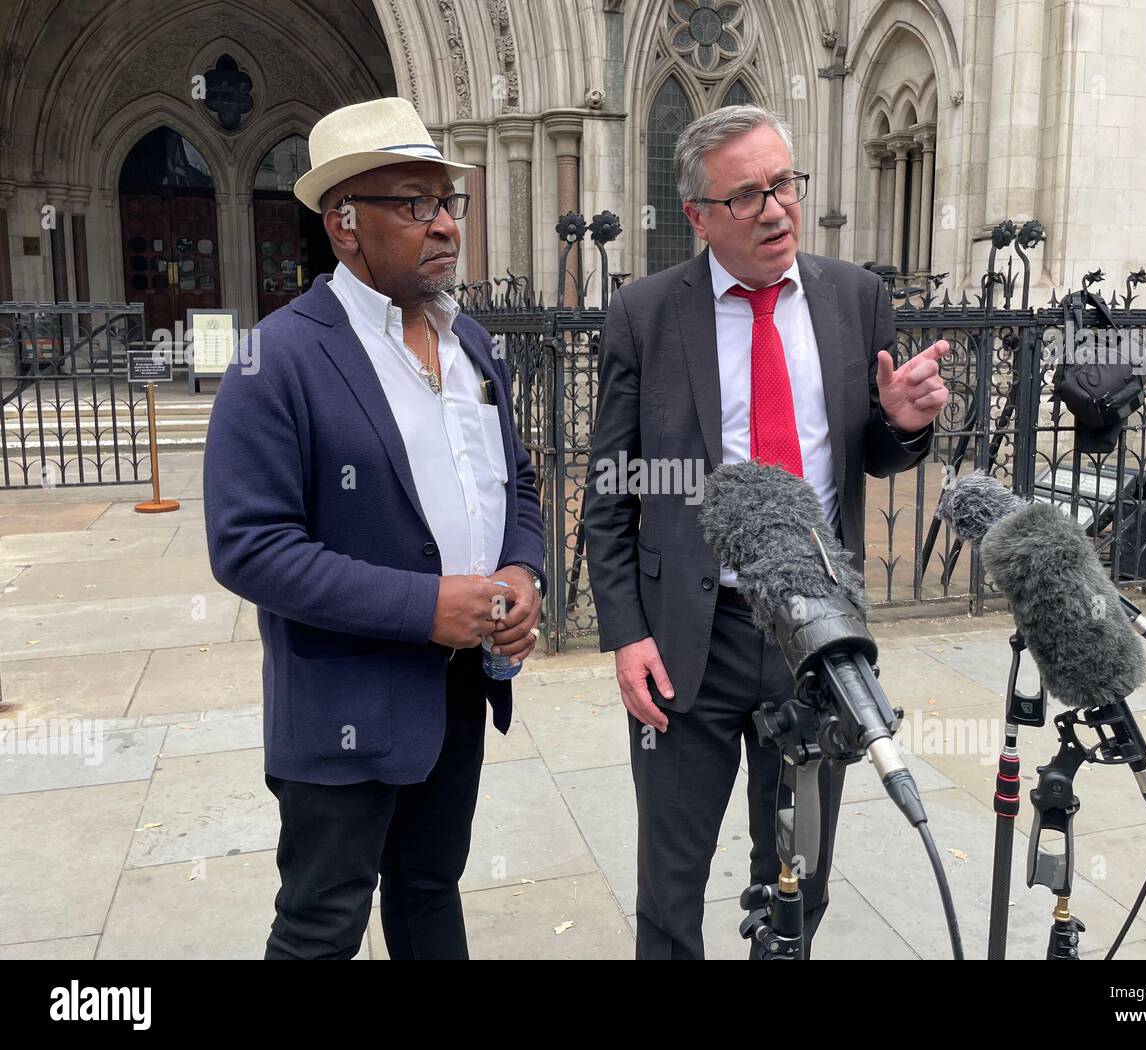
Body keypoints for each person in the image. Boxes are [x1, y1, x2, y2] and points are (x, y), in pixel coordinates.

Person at [584, 104, 950, 959]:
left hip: (815, 640)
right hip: (685, 646)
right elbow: (611, 488)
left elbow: (876, 454)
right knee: (670, 887)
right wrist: (626, 633)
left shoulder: (856, 299)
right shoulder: (646, 314)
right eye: (747, 195)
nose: (777, 209)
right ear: (699, 218)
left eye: (783, 183)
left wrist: (900, 426)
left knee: (797, 876)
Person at [203, 97, 545, 960]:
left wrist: (525, 571)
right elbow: (249, 546)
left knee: (430, 890)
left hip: (460, 691)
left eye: (447, 203)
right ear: (343, 224)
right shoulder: (276, 358)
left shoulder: (472, 345)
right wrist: (422, 606)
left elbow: (521, 480)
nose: (444, 227)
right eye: (414, 203)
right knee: (323, 923)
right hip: (343, 703)